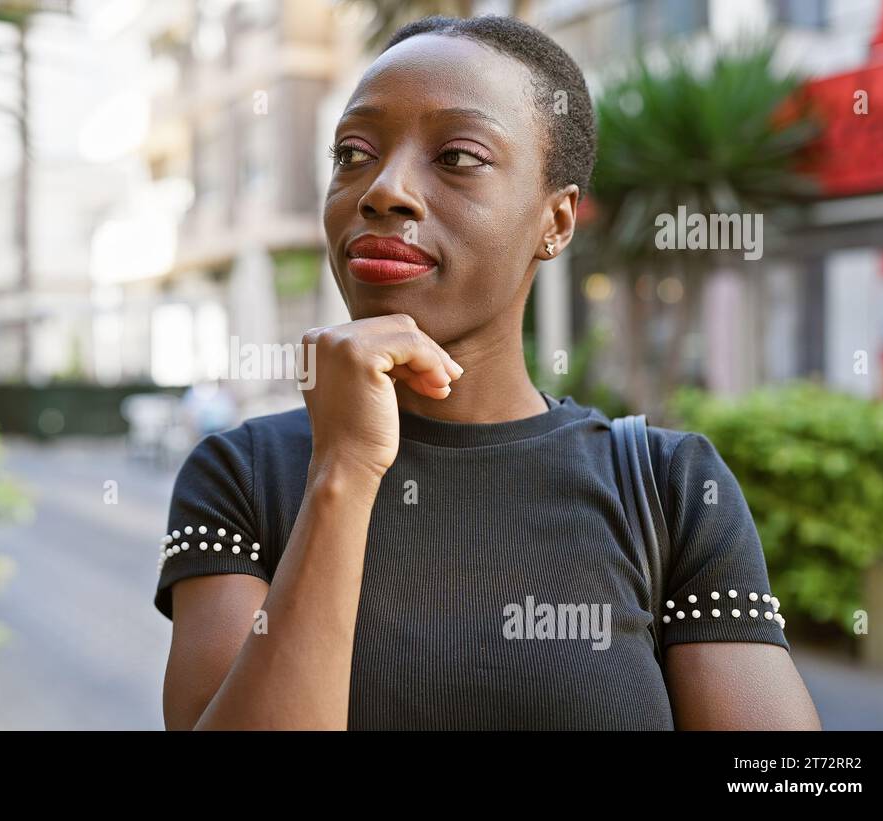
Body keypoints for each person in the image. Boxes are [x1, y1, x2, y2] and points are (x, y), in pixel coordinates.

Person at [152, 15, 820, 730]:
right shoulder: (242, 477)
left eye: (458, 156)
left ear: (556, 221)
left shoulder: (671, 489)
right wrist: (342, 470)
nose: (385, 190)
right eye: (353, 152)